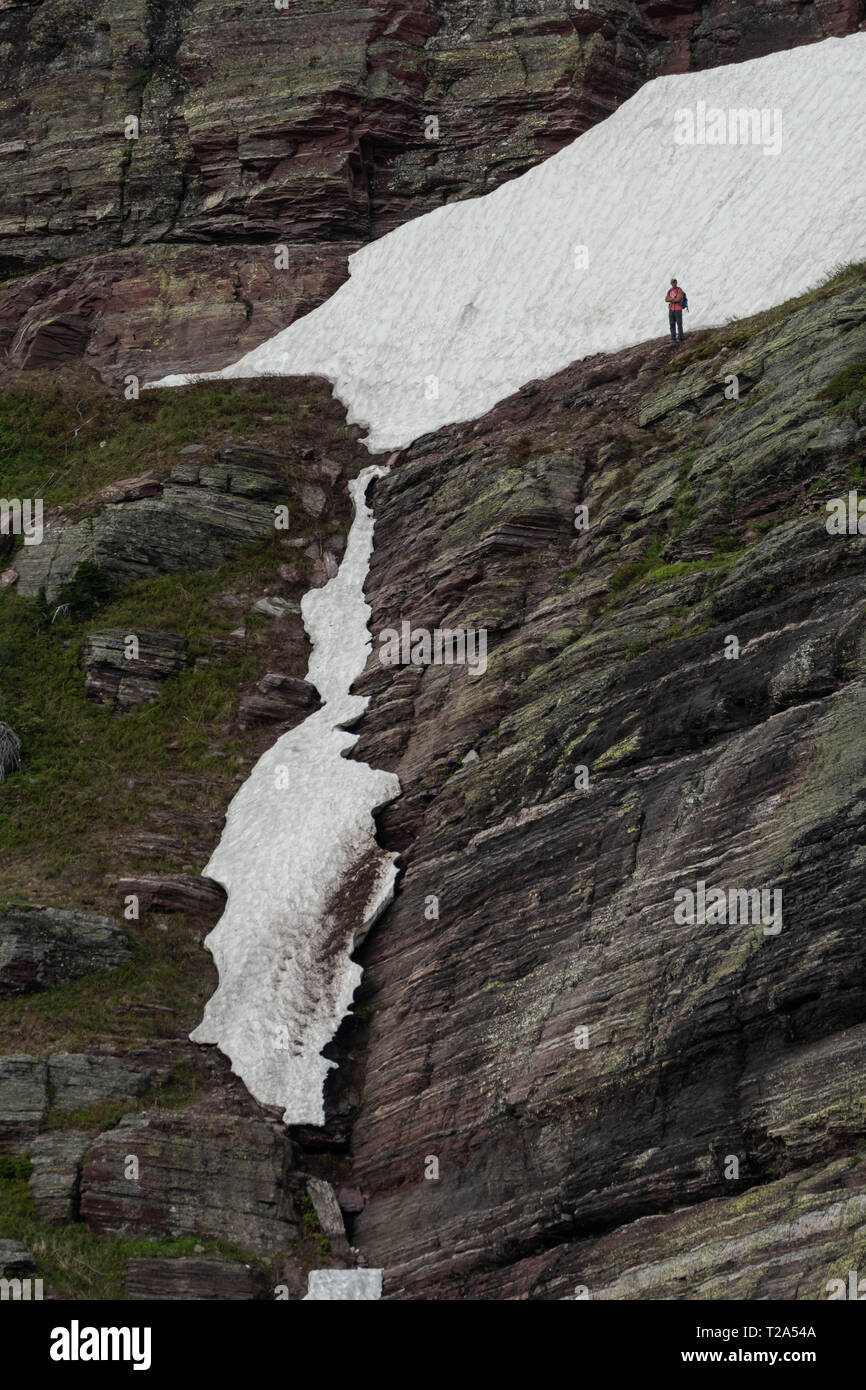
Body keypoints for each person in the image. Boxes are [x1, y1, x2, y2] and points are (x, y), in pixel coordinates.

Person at [665, 278, 687, 343]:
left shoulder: (679, 290)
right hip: (671, 309)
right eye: (672, 282)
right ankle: (673, 338)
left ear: (676, 283)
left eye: (674, 282)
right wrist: (674, 299)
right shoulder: (669, 291)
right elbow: (666, 299)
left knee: (679, 323)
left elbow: (678, 299)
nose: (674, 283)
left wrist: (671, 299)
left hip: (678, 309)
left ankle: (680, 337)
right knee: (671, 324)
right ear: (671, 283)